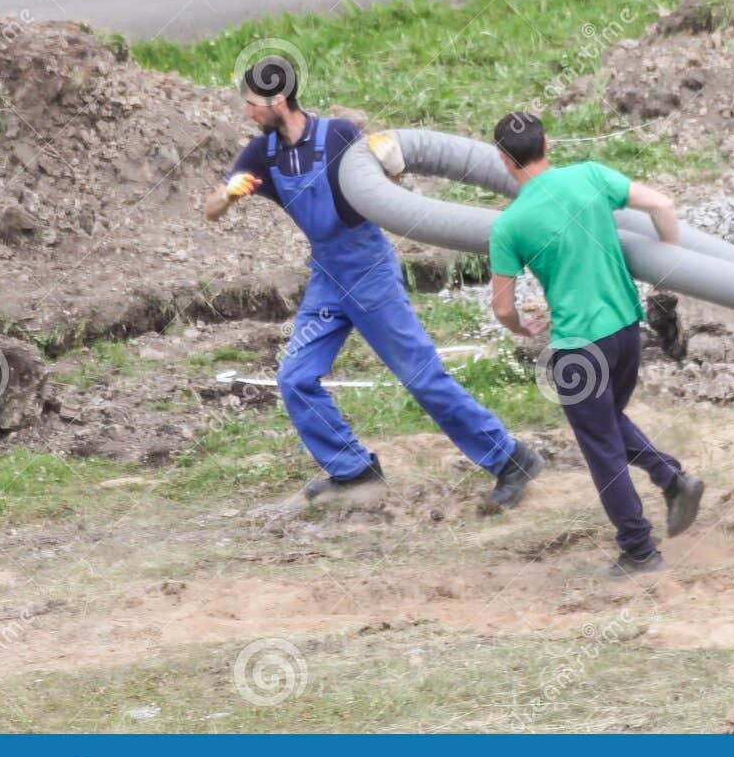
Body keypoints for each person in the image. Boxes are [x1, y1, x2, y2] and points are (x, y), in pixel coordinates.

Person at [204, 56, 540, 508]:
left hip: (369, 270)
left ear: (278, 100)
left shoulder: (338, 135)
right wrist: (227, 195)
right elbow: (210, 210)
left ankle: (510, 458)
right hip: (326, 276)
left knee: (420, 376)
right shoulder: (262, 153)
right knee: (295, 377)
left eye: (251, 105)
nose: (248, 113)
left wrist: (393, 162)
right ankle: (354, 471)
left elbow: (386, 188)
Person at [487, 112, 704, 577]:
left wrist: (524, 330)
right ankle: (672, 481)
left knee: (602, 447)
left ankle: (639, 550)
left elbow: (503, 308)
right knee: (610, 424)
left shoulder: (509, 226)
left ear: (504, 160)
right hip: (627, 329)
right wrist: (670, 274)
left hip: (578, 347)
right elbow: (662, 205)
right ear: (549, 143)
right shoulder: (590, 175)